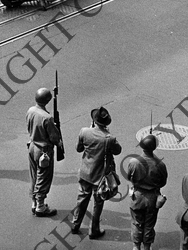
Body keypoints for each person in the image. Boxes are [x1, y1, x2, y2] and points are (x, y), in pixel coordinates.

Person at [69, 106, 121, 239]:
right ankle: (94, 229)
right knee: (98, 203)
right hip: (101, 178)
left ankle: (75, 224)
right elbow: (117, 150)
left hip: (86, 173)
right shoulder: (109, 138)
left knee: (81, 199)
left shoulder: (84, 132)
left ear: (94, 121)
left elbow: (78, 148)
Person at [124, 134, 168, 250]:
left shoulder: (133, 162)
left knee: (136, 223)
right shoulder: (160, 164)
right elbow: (163, 182)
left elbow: (129, 177)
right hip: (152, 198)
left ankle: (136, 246)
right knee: (149, 224)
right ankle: (147, 246)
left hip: (137, 197)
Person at [25, 87, 63, 217]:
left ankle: (34, 202)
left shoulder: (31, 110)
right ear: (47, 101)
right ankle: (40, 206)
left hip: (32, 146)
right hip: (43, 151)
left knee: (34, 175)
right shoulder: (47, 118)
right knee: (43, 177)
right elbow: (53, 137)